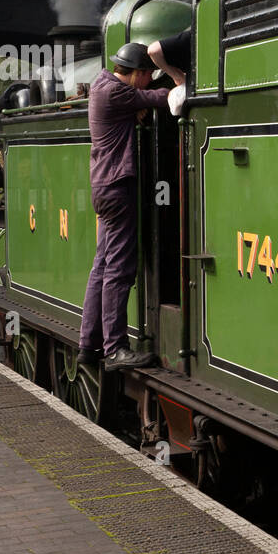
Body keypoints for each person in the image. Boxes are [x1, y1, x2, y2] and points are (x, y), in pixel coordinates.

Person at [79, 41, 178, 370]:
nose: (150, 80)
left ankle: (88, 345)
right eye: (148, 74)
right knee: (120, 271)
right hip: (118, 188)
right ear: (136, 73)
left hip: (105, 186)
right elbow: (159, 98)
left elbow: (142, 100)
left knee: (102, 268)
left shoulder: (102, 85)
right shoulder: (117, 94)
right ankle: (115, 349)